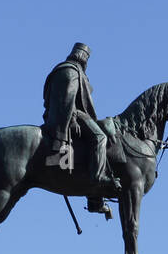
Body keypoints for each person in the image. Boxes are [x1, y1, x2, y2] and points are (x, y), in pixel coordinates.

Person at [42, 42, 121, 213]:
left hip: (62, 115)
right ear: (82, 57)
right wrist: (71, 120)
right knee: (100, 137)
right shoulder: (73, 71)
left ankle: (95, 200)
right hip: (73, 115)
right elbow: (68, 98)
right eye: (86, 58)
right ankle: (98, 177)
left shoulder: (60, 70)